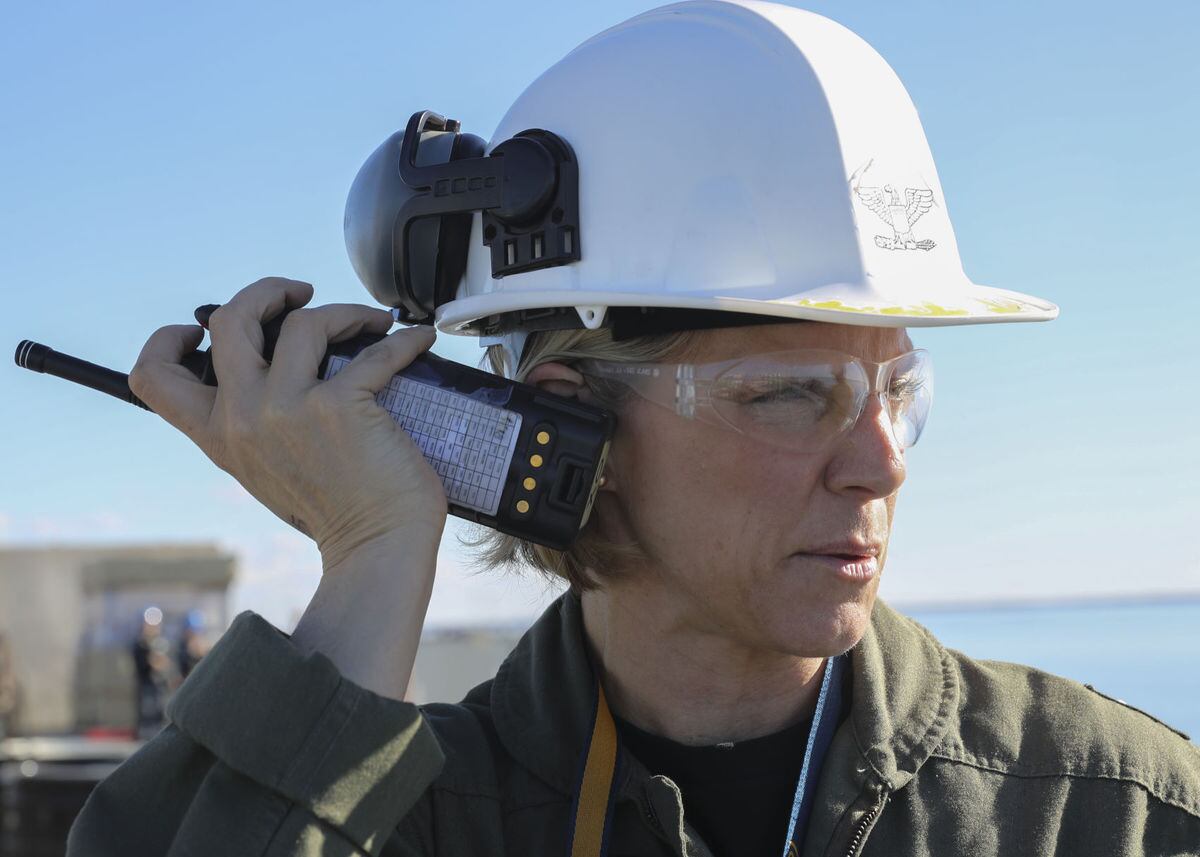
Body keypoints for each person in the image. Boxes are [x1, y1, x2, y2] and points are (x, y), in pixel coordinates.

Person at [67, 3, 1199, 855]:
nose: (881, 463)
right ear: (573, 419)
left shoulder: (1111, 808)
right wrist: (371, 550)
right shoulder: (401, 816)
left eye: (898, 389)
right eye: (790, 393)